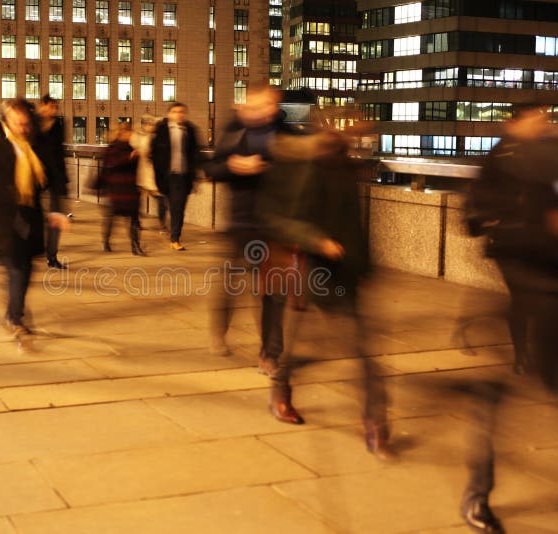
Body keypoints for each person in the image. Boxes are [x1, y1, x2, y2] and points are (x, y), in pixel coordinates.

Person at [460, 111, 558, 533]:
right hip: (527, 290)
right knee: (507, 398)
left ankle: (478, 495)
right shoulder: (512, 160)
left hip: (556, 294)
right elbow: (477, 216)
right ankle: (477, 494)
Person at [256, 125, 392, 460]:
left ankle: (375, 420)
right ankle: (280, 389)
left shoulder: (346, 168)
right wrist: (317, 240)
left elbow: (355, 224)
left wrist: (365, 265)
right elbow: (282, 218)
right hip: (312, 267)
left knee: (361, 350)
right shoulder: (305, 169)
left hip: (344, 270)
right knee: (298, 341)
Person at [0, 99, 71, 350]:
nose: (23, 127)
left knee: (26, 269)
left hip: (31, 216)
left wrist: (57, 211)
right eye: (17, 122)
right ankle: (15, 318)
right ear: (6, 122)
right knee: (15, 267)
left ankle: (14, 310)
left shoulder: (39, 146)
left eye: (25, 122)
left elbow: (56, 179)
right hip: (3, 219)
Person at [205, 84, 286, 357]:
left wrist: (269, 169)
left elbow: (301, 173)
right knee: (230, 286)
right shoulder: (234, 130)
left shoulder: (287, 134)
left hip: (275, 225)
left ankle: (270, 351)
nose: (258, 111)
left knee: (271, 293)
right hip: (240, 223)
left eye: (264, 105)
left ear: (274, 106)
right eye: (253, 105)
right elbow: (212, 168)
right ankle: (219, 333)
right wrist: (232, 166)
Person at [150, 102, 200, 251]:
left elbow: (196, 153)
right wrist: (158, 173)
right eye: (175, 112)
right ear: (169, 114)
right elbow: (154, 153)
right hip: (167, 175)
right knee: (172, 204)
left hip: (183, 176)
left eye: (182, 112)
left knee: (178, 207)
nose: (179, 114)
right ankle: (173, 235)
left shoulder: (190, 130)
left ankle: (175, 237)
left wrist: (201, 172)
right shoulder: (161, 130)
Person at [34, 95, 69, 269]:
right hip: (36, 176)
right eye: (50, 106)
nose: (53, 110)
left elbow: (60, 153)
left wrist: (63, 181)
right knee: (33, 215)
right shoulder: (32, 123)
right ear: (42, 106)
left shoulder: (58, 125)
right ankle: (33, 248)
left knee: (56, 217)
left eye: (55, 107)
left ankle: (52, 256)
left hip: (55, 177)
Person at [101, 122, 145, 256]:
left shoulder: (132, 149)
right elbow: (111, 165)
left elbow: (136, 169)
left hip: (130, 188)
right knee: (111, 217)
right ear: (122, 133)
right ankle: (106, 241)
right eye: (129, 132)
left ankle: (135, 245)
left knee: (134, 218)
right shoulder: (112, 148)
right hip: (116, 188)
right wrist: (128, 158)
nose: (131, 135)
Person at [131, 115, 161, 229]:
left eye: (152, 124)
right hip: (139, 171)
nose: (150, 126)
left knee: (160, 197)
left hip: (151, 171)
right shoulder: (137, 135)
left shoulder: (156, 136)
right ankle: (136, 221)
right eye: (148, 124)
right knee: (137, 199)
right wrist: (139, 152)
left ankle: (162, 223)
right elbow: (132, 149)